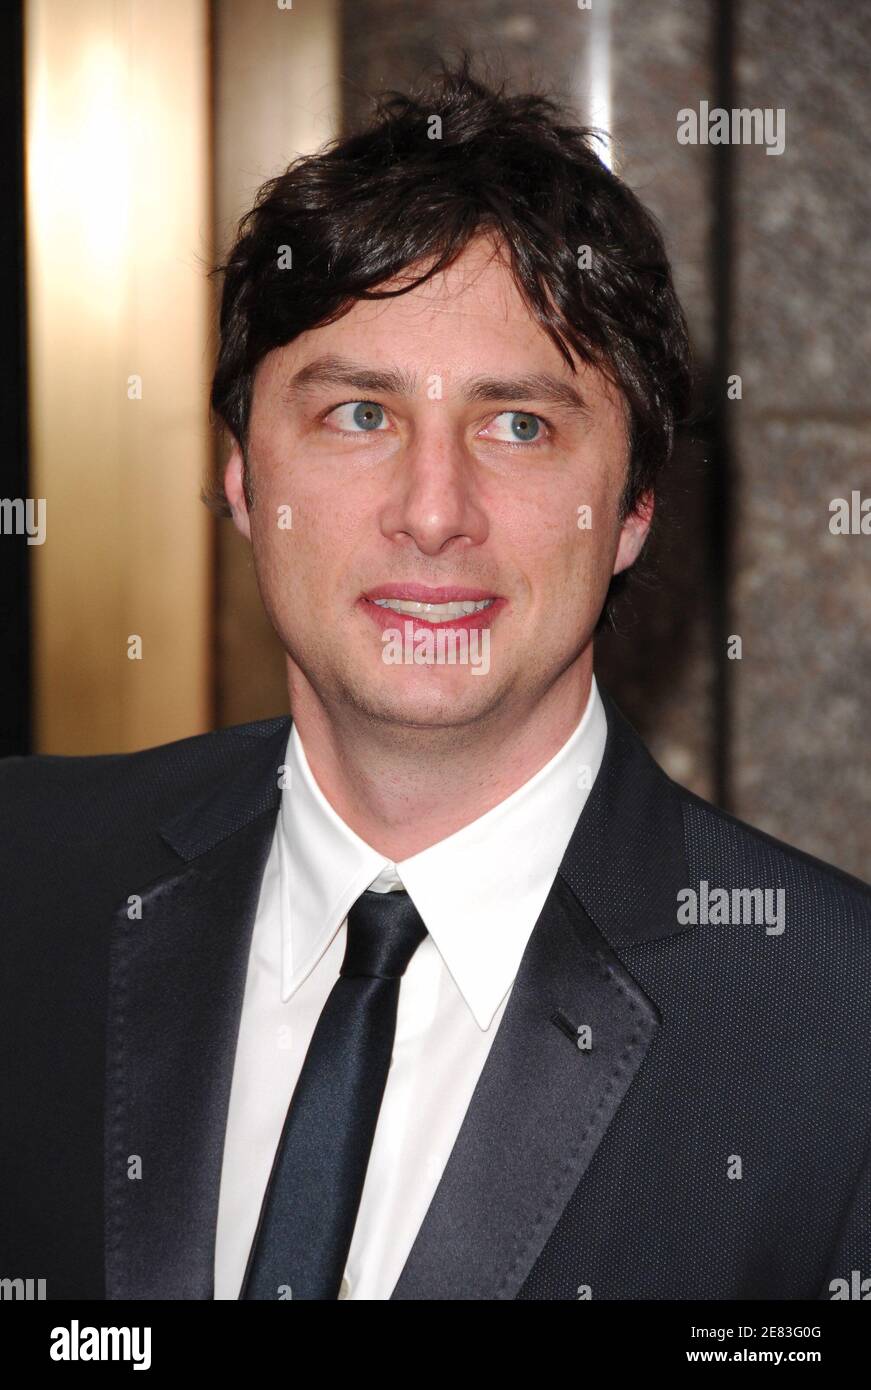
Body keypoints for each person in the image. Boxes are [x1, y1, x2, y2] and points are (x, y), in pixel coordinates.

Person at [2, 59, 869, 1302]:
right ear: (244, 478)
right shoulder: (24, 877)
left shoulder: (839, 1030)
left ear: (631, 509)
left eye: (519, 424)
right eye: (359, 414)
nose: (430, 511)